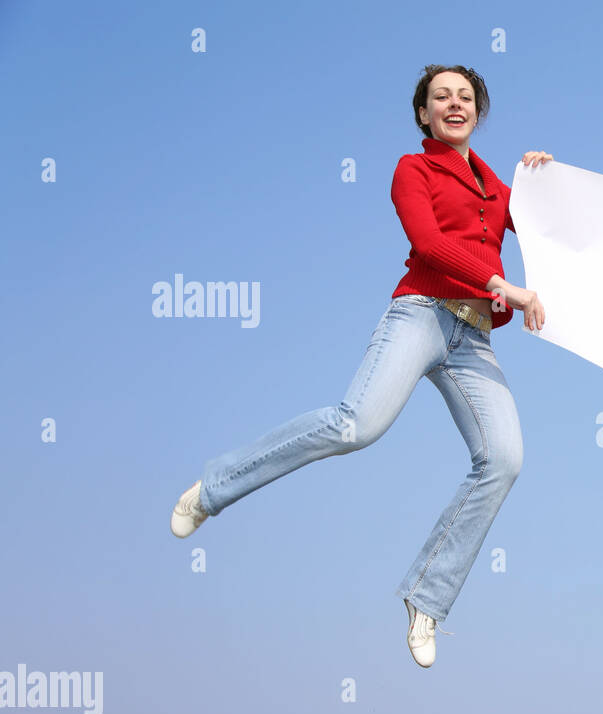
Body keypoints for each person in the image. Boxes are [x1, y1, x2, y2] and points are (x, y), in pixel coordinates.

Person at [169, 64, 553, 668]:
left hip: (474, 337)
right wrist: (506, 284)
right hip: (422, 312)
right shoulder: (413, 169)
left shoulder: (498, 189)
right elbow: (429, 245)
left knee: (504, 460)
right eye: (440, 98)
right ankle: (212, 490)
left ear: (479, 112)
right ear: (424, 113)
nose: (454, 105)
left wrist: (543, 182)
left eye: (465, 98)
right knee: (356, 425)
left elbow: (550, 231)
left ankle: (427, 597)